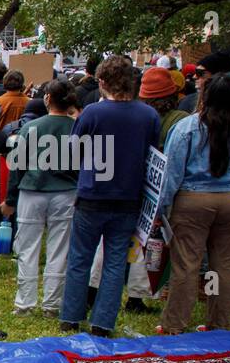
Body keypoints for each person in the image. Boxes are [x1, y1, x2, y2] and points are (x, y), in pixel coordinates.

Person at [59, 56, 161, 337]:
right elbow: (153, 157)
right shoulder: (148, 116)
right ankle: (103, 322)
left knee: (80, 258)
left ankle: (71, 316)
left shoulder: (92, 113)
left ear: (102, 82)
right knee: (116, 262)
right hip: (128, 198)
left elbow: (72, 152)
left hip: (93, 195)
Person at [156, 75, 230, 334]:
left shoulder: (188, 127)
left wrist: (162, 208)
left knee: (186, 266)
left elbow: (171, 172)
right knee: (224, 268)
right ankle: (218, 323)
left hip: (193, 201)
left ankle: (174, 323)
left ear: (205, 96)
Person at [0, 79, 78, 316]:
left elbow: (18, 167)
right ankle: (52, 304)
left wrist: (10, 200)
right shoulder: (77, 127)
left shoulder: (31, 127)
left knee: (27, 249)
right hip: (66, 193)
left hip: (32, 192)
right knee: (59, 250)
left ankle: (25, 303)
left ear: (47, 99)